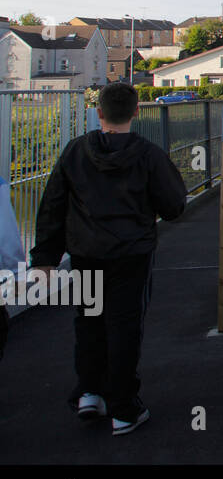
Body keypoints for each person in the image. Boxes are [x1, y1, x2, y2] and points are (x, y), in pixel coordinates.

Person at [29, 82, 188, 435]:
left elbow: (52, 206)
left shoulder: (75, 152)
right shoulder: (147, 154)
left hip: (86, 253)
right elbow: (174, 206)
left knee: (89, 323)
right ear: (135, 112)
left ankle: (89, 392)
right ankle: (124, 408)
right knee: (124, 327)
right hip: (131, 255)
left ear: (99, 112)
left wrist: (45, 258)